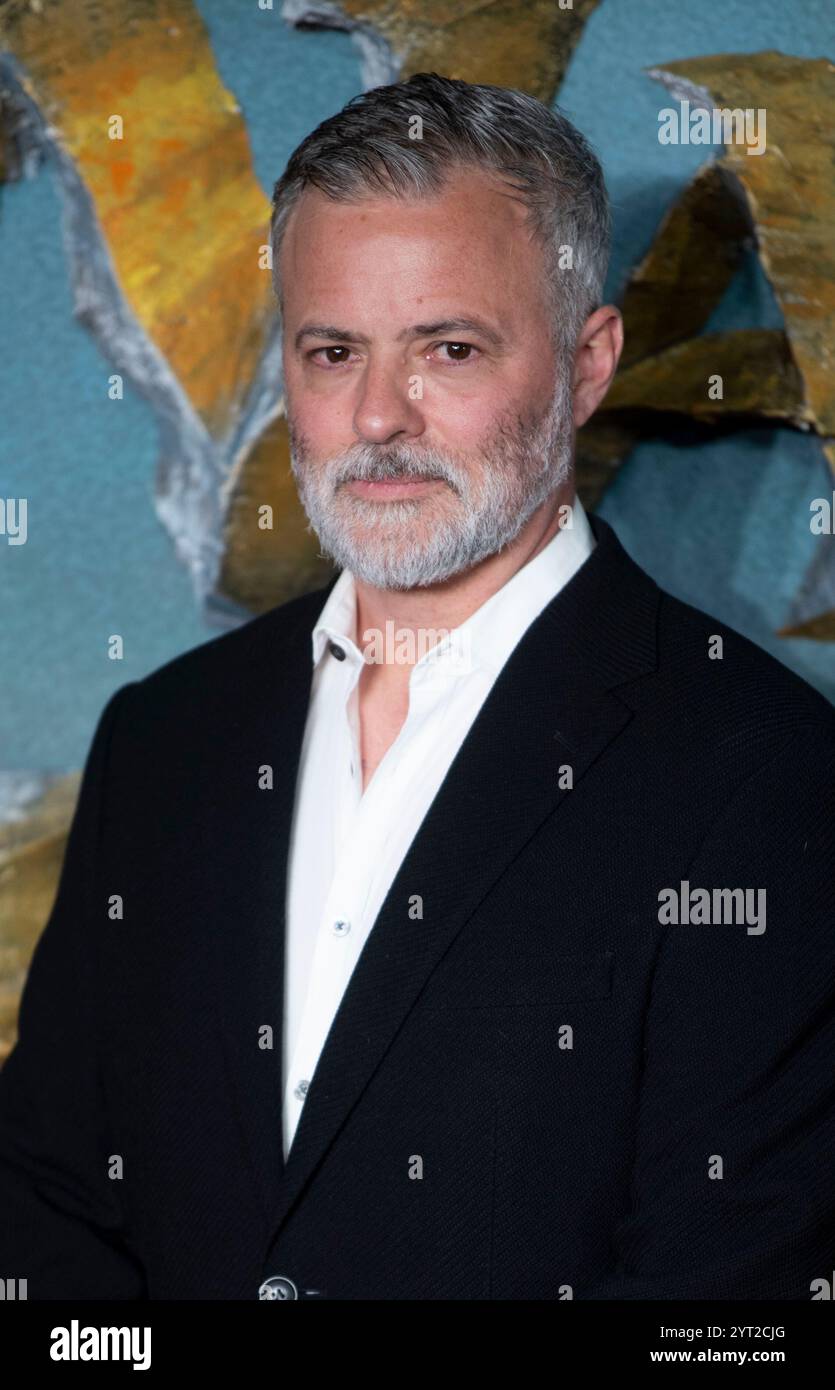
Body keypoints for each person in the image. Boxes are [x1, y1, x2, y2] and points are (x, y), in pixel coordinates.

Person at [1, 72, 833, 1301]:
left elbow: (729, 1303)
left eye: (448, 347)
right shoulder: (164, 740)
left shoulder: (763, 777)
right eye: (333, 350)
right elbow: (51, 1198)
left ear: (587, 360)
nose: (378, 415)